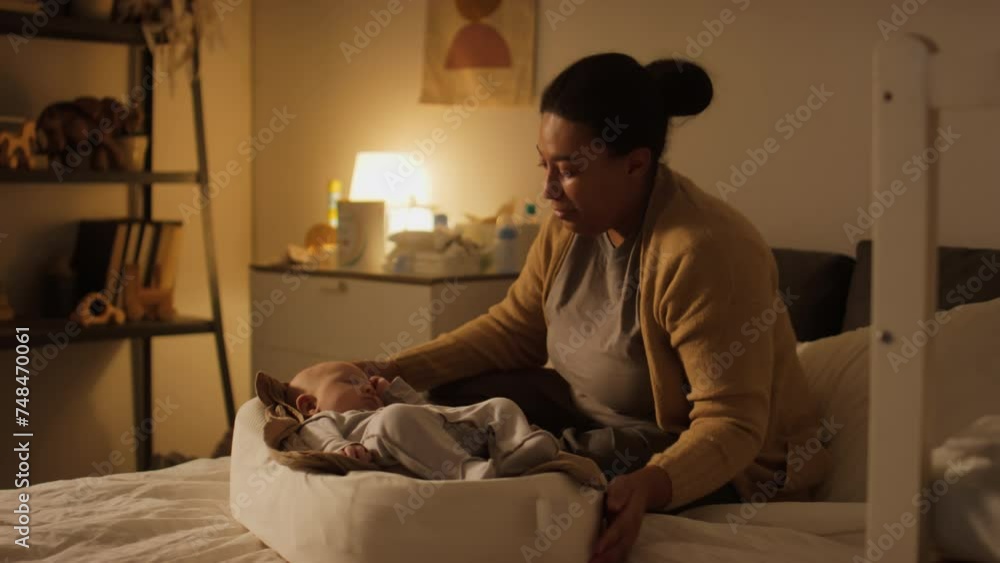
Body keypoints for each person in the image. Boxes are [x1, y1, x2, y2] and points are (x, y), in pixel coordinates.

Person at [354, 53, 831, 563]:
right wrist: (386, 370)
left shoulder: (705, 251)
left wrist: (651, 484)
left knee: (560, 462)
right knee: (447, 396)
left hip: (704, 452)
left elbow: (733, 424)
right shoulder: (568, 225)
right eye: (544, 164)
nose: (548, 190)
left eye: (570, 170)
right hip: (586, 415)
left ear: (636, 163)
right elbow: (514, 329)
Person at [280, 361, 561, 480]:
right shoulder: (325, 420)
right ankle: (474, 474)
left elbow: (429, 412)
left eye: (365, 380)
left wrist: (394, 392)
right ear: (310, 405)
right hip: (392, 449)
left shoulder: (387, 405)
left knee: (500, 404)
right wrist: (338, 449)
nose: (365, 386)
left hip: (450, 435)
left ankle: (514, 448)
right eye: (351, 382)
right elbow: (319, 437)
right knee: (395, 417)